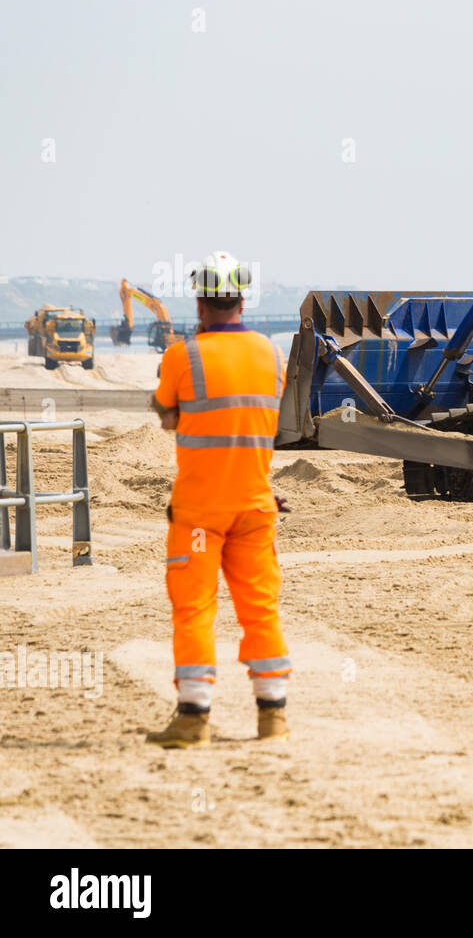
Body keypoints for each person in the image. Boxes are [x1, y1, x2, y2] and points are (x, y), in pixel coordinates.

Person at [146, 252, 291, 748]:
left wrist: (186, 416)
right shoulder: (272, 354)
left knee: (194, 611)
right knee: (260, 609)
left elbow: (165, 412)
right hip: (255, 506)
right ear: (242, 300)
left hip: (200, 515)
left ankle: (193, 720)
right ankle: (273, 720)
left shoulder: (182, 355)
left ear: (202, 302)